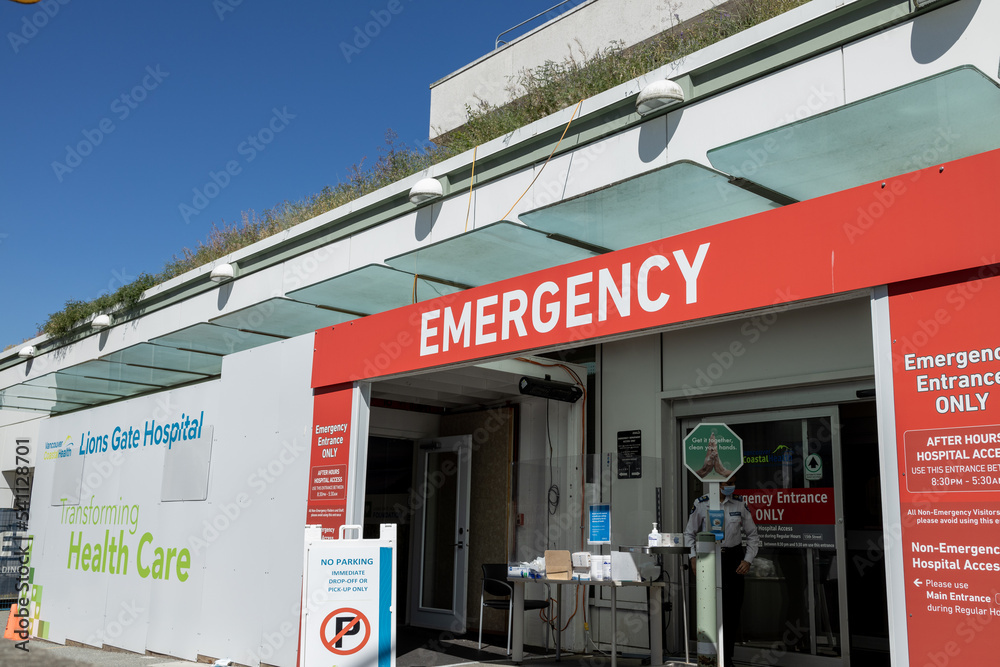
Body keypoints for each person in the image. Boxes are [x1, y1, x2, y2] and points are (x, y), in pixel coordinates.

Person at [684, 484, 759, 667]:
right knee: (709, 609)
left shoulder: (739, 503)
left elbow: (752, 535)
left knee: (732, 609)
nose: (729, 486)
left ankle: (727, 658)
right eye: (725, 483)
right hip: (708, 557)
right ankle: (708, 656)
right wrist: (693, 558)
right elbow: (689, 534)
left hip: (733, 558)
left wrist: (748, 559)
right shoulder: (701, 503)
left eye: (732, 481)